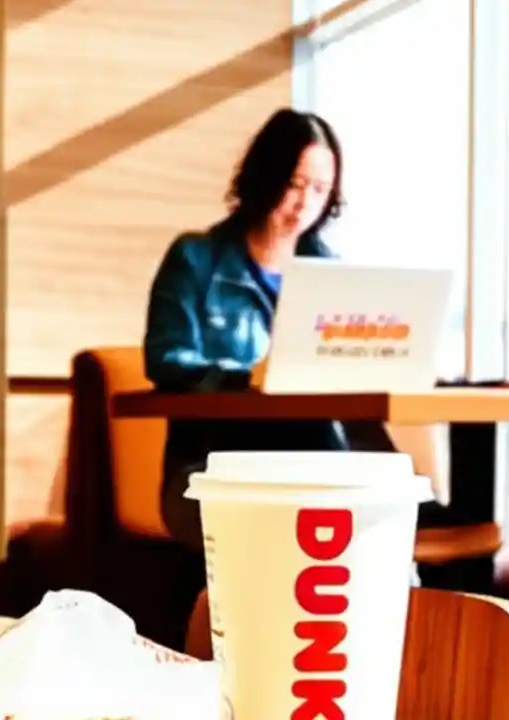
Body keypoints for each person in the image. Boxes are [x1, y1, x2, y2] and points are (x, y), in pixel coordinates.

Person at [144, 108, 411, 551]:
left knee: (381, 497)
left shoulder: (332, 273)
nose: (304, 204)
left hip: (313, 460)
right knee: (335, 496)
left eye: (320, 189)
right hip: (213, 465)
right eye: (294, 184)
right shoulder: (196, 259)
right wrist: (247, 378)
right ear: (264, 177)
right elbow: (166, 359)